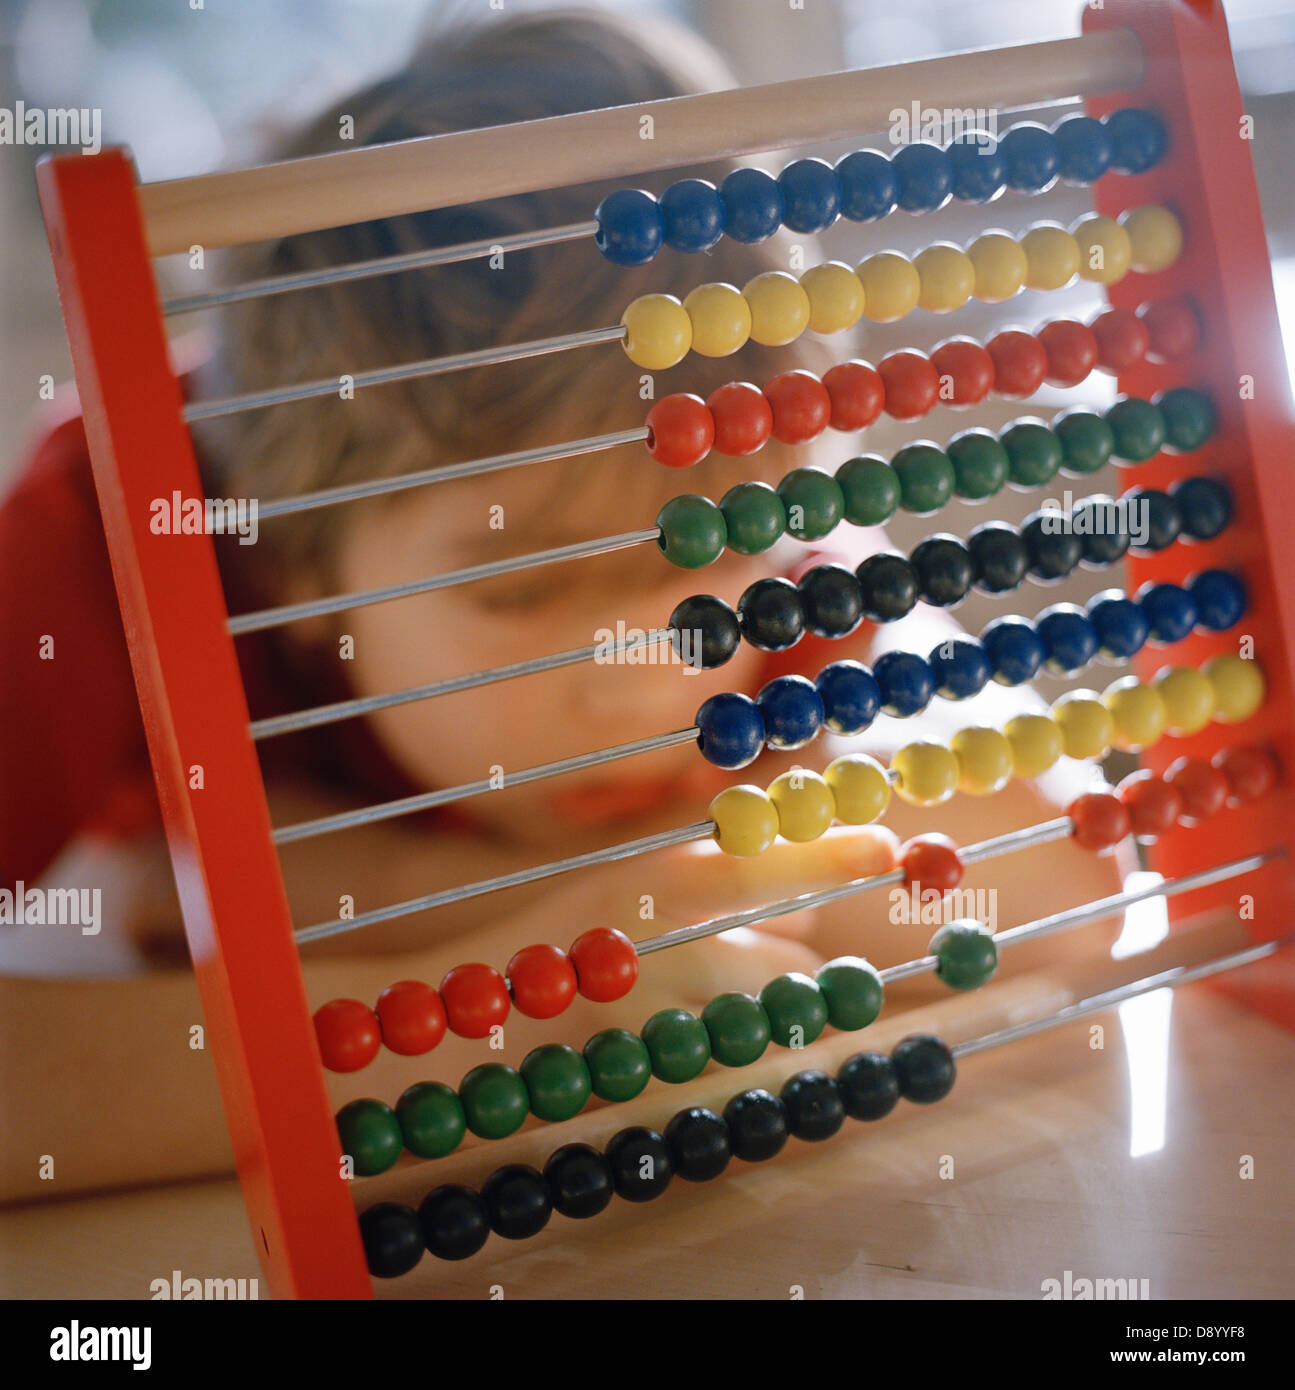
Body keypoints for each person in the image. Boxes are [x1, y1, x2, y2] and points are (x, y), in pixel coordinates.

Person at [0, 8, 1120, 1204]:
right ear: (293, 566)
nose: (643, 681)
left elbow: (1053, 880)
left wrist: (409, 896)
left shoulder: (762, 545)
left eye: (699, 565)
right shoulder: (116, 546)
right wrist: (485, 1021)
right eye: (523, 592)